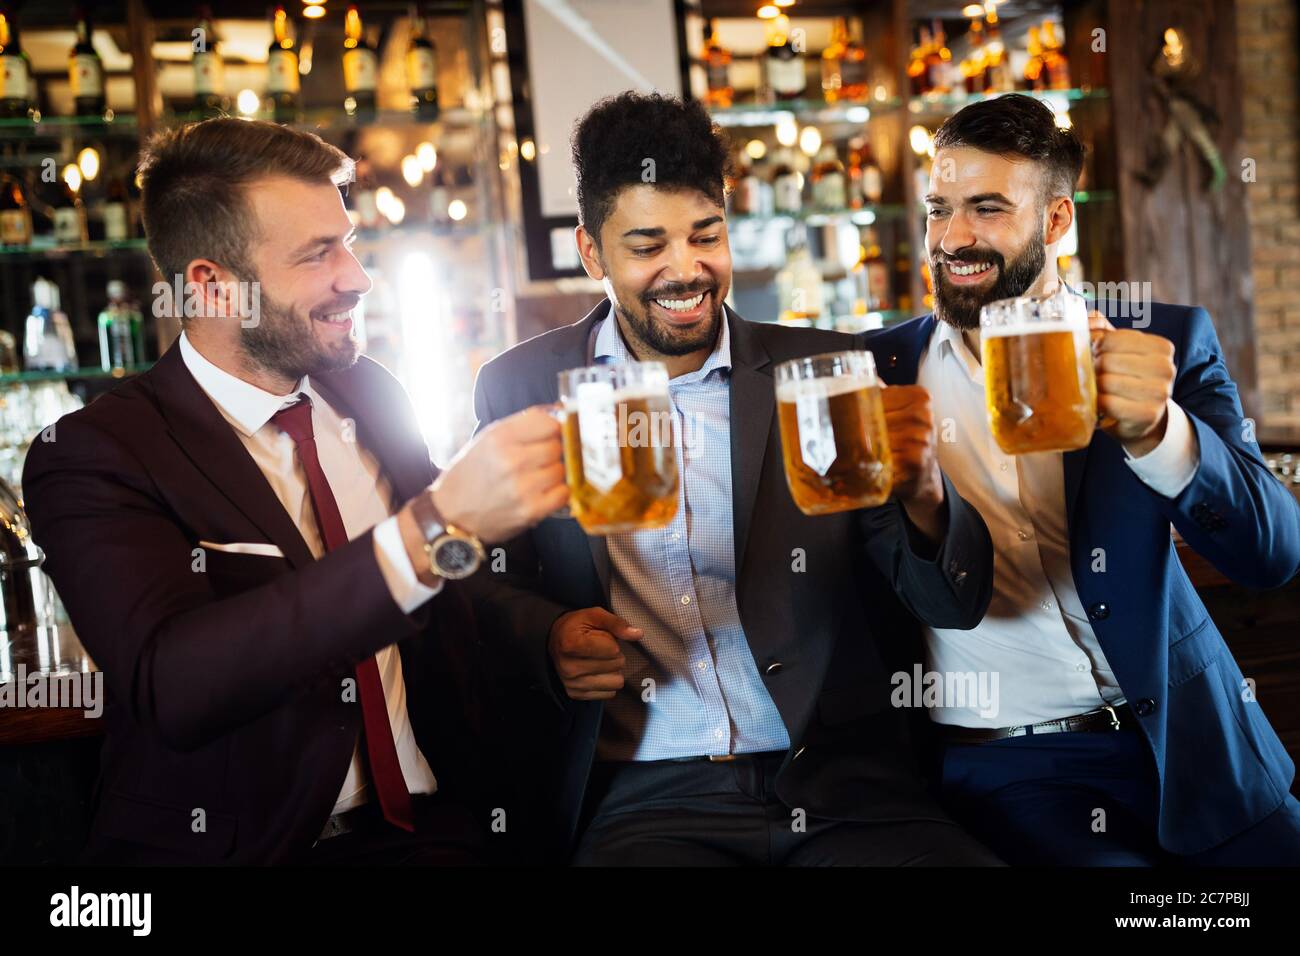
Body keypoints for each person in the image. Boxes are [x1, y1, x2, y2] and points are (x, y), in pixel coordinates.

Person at [466, 92, 1002, 866]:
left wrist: (923, 495)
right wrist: (546, 636)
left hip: (841, 787)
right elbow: (480, 579)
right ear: (592, 253)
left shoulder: (823, 370)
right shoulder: (522, 385)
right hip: (649, 795)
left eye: (705, 236)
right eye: (646, 245)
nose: (684, 270)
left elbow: (951, 600)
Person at [22, 118, 568, 865]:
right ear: (213, 288)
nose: (357, 276)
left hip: (443, 831)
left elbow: (449, 591)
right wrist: (430, 527)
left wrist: (549, 635)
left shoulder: (369, 392)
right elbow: (173, 681)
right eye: (318, 255)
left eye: (346, 241)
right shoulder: (97, 455)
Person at [861, 93, 1300, 865]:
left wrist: (1161, 431)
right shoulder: (874, 375)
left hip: (1196, 743)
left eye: (987, 208)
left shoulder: (1159, 339)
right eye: (939, 209)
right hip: (1011, 766)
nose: (952, 237)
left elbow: (1273, 554)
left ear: (1057, 220)